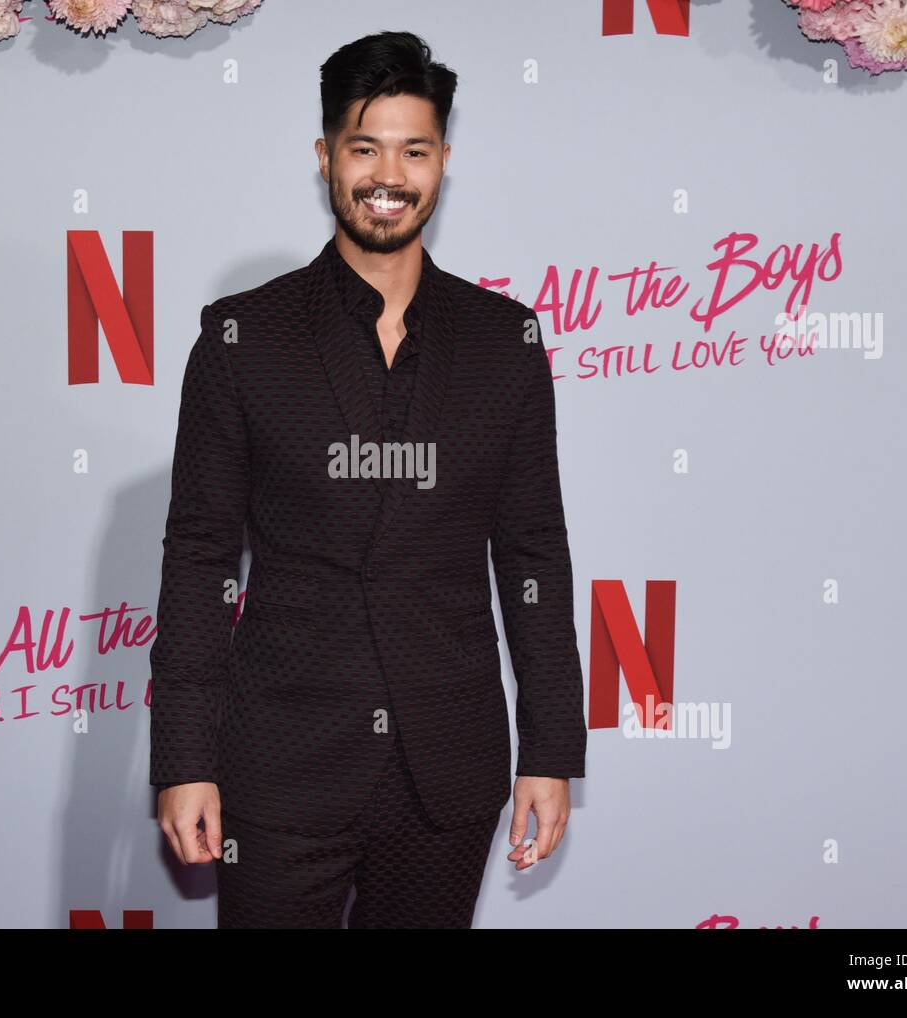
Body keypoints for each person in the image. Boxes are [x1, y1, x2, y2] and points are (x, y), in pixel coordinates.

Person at [150, 30, 587, 929]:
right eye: (364, 146)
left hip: (448, 762)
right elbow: (200, 557)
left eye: (413, 149)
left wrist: (550, 748)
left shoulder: (506, 342)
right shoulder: (243, 338)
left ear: (441, 164)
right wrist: (184, 759)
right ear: (325, 159)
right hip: (280, 758)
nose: (388, 173)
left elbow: (534, 549)